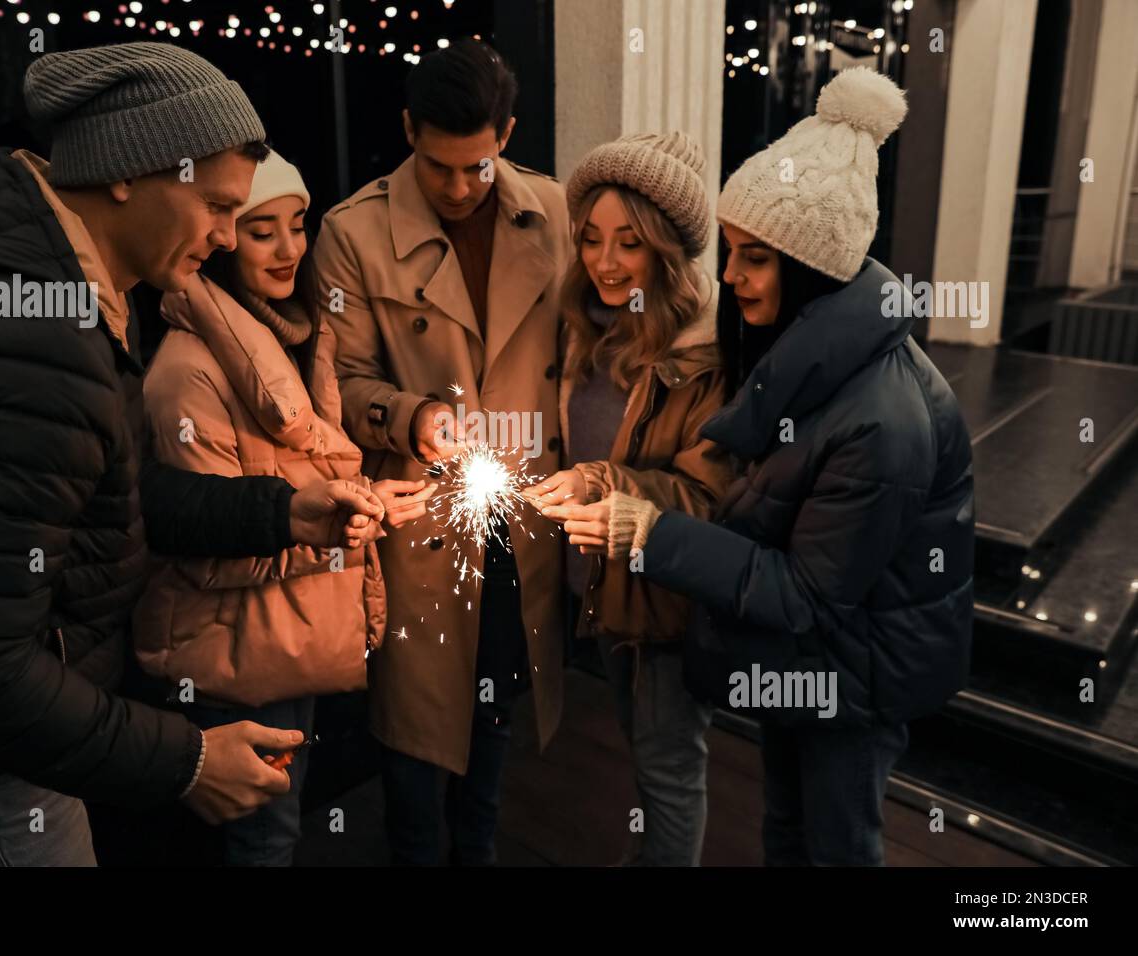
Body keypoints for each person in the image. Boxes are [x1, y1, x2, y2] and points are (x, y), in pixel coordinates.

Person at [0, 42, 381, 867]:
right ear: (130, 171)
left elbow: (119, 491)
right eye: (221, 207)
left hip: (17, 746)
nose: (231, 237)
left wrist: (284, 510)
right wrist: (184, 759)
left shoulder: (72, 299)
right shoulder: (21, 338)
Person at [545, 69, 974, 866]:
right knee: (788, 832)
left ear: (807, 268)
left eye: (751, 260)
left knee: (836, 845)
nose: (729, 277)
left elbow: (803, 588)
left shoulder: (883, 415)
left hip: (859, 672)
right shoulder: (800, 361)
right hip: (813, 659)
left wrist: (647, 527)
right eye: (732, 253)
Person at [134, 150, 431, 865]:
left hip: (290, 643)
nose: (292, 248)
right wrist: (337, 527)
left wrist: (366, 504)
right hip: (230, 655)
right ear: (222, 237)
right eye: (263, 230)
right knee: (263, 839)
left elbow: (304, 482)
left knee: (279, 826)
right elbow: (207, 546)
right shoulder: (187, 373)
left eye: (298, 225)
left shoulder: (299, 342)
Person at [315, 39, 568, 865]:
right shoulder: (351, 233)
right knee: (416, 743)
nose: (459, 188)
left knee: (497, 709)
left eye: (479, 166)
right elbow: (340, 382)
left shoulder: (555, 215)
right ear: (407, 131)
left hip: (520, 520)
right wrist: (412, 416)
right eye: (438, 167)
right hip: (420, 525)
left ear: (508, 133)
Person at [525, 132, 731, 866]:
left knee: (670, 770)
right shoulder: (586, 325)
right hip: (602, 588)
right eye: (590, 239)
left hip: (666, 598)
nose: (604, 262)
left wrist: (600, 484)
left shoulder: (708, 355)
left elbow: (708, 495)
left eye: (629, 244)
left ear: (668, 251)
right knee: (642, 756)